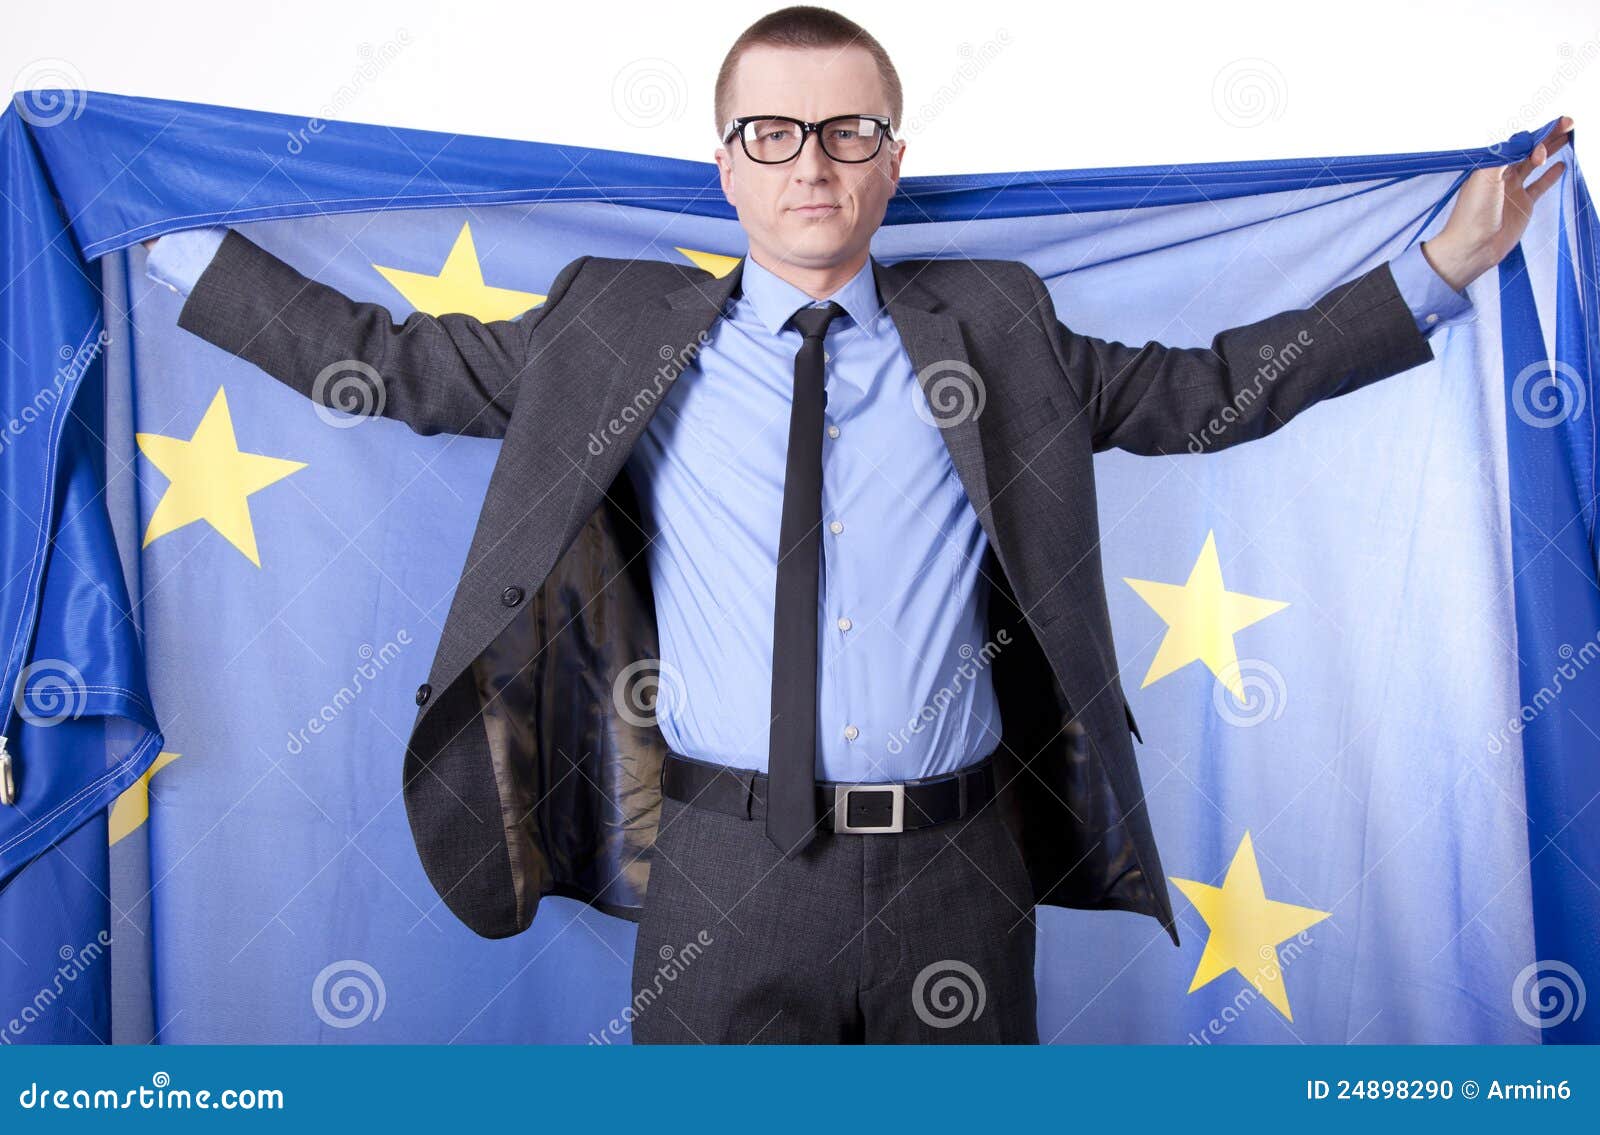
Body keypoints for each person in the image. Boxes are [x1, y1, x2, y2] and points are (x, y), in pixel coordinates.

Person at [142, 5, 1571, 1044]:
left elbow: (1205, 398)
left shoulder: (996, 325)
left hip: (963, 866)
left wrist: (1440, 265)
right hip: (719, 864)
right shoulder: (615, 325)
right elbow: (389, 363)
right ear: (727, 164)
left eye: (849, 131)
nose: (810, 162)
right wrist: (154, 223)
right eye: (773, 131)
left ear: (892, 158)